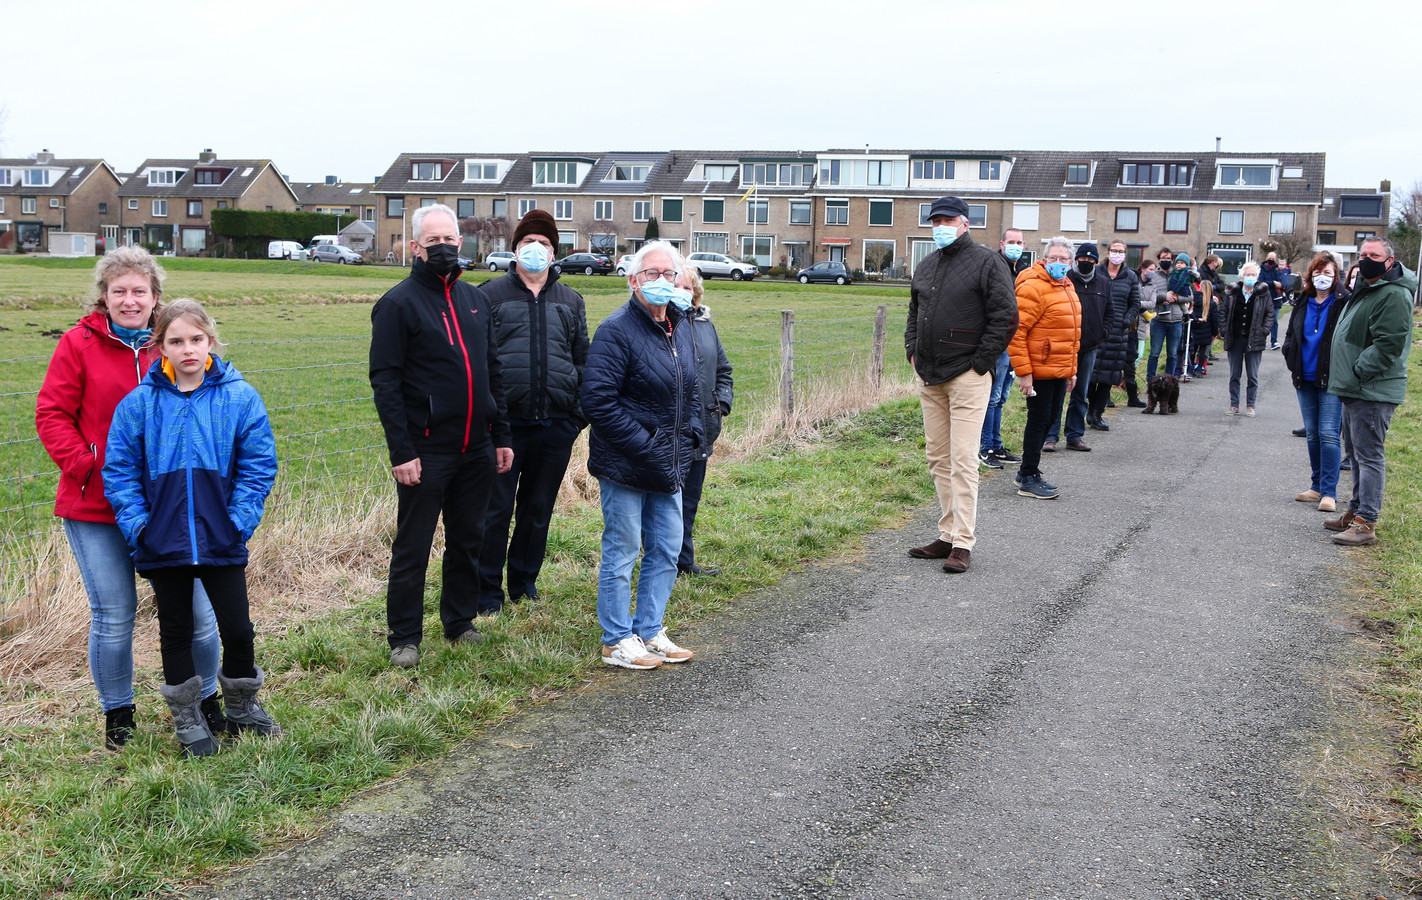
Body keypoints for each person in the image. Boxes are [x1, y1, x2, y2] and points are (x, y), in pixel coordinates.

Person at [35, 247, 225, 752]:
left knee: (200, 613)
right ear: (104, 296)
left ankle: (209, 701)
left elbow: (216, 402)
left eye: (139, 290)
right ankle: (118, 716)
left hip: (171, 507)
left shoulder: (174, 343)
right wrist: (88, 465)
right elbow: (51, 413)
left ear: (155, 296)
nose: (129, 299)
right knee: (114, 613)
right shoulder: (78, 344)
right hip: (96, 505)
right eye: (118, 290)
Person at [103, 300, 281, 758]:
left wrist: (239, 520)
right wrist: (140, 526)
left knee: (238, 630)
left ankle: (241, 707)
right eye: (176, 341)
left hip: (221, 536)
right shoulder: (140, 404)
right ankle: (188, 720)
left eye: (196, 340)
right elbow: (119, 470)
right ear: (158, 345)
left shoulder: (239, 397)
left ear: (210, 342)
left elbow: (258, 465)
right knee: (175, 630)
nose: (187, 350)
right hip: (163, 541)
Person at [369, 203, 513, 669]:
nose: (444, 248)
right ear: (415, 247)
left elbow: (492, 371)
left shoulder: (477, 300)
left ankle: (459, 621)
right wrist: (402, 450)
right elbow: (385, 382)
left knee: (469, 537)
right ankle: (404, 637)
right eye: (433, 242)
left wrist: (501, 435)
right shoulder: (397, 304)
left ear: (460, 240)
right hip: (426, 449)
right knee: (413, 545)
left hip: (476, 445)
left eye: (449, 239)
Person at [582, 241, 704, 669]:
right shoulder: (616, 329)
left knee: (667, 549)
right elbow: (598, 402)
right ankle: (616, 639)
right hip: (626, 463)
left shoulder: (680, 325)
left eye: (668, 274)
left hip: (669, 463)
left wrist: (689, 437)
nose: (660, 281)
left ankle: (650, 630)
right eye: (650, 274)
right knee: (623, 550)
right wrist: (646, 445)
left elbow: (689, 387)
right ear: (633, 280)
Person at [475, 210, 589, 613]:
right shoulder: (488, 296)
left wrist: (575, 420)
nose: (535, 250)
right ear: (515, 249)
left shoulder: (571, 301)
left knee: (537, 511)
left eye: (543, 243)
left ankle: (524, 584)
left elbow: (582, 362)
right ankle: (487, 594)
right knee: (495, 512)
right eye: (528, 243)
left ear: (554, 251)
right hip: (503, 430)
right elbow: (476, 363)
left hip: (555, 426)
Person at [903, 196, 1018, 574]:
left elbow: (1005, 316)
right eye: (936, 219)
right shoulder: (927, 263)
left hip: (967, 375)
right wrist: (912, 352)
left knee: (964, 460)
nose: (941, 225)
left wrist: (980, 363)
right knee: (938, 457)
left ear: (965, 223)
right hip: (929, 375)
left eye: (948, 219)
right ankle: (947, 532)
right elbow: (914, 311)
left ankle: (963, 542)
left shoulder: (988, 262)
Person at [1325, 238, 1416, 546]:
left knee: (1369, 455)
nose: (1365, 259)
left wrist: (1359, 370)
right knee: (1357, 454)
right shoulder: (1368, 288)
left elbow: (1388, 344)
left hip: (1372, 388)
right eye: (1362, 254)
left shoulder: (1392, 293)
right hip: (1356, 387)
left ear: (1390, 261)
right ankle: (1356, 510)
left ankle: (1366, 523)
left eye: (1373, 255)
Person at [1009, 237, 1081, 500]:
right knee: (1038, 421)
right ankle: (1028, 476)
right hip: (1039, 368)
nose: (1059, 263)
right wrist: (1024, 371)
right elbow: (1016, 331)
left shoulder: (1067, 286)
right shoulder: (1034, 287)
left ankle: (1028, 471)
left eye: (1064, 259)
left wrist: (1071, 369)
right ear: (1044, 259)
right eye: (1054, 258)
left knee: (1050, 420)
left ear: (1070, 262)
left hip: (1059, 369)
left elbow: (1070, 333)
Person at [674, 265, 733, 577]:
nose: (683, 293)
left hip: (703, 428)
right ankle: (663, 561)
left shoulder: (706, 326)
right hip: (670, 431)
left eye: (688, 288)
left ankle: (684, 562)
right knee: (665, 502)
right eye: (677, 286)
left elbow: (723, 369)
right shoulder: (662, 325)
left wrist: (720, 403)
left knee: (690, 500)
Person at [1281, 252, 1349, 513]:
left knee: (1329, 434)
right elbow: (1290, 336)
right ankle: (1317, 485)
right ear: (1310, 276)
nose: (1323, 277)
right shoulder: (1302, 301)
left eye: (1328, 273)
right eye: (1318, 273)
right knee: (1312, 435)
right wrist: (1291, 358)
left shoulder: (1343, 302)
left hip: (1332, 378)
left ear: (1336, 277)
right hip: (1304, 377)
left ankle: (1329, 493)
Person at [1046, 242, 1112, 451]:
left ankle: (1074, 435)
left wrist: (1103, 332)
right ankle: (1050, 436)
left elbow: (1110, 311)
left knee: (1081, 393)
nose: (1087, 262)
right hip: (1064, 345)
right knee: (1058, 392)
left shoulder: (1103, 283)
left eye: (1091, 259)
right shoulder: (1065, 280)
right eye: (1083, 259)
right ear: (1076, 260)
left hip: (1090, 346)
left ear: (1096, 261)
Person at [978, 229, 1030, 469]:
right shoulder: (993, 266)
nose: (1015, 246)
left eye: (1019, 242)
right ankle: (985, 446)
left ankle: (996, 444)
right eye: (1011, 242)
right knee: (992, 397)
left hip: (1015, 342)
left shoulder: (1021, 271)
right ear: (1002, 243)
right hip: (999, 341)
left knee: (1002, 397)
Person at [1088, 240, 1141, 428]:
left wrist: (1126, 321)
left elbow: (1135, 303)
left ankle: (1098, 413)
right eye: (1114, 250)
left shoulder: (1130, 276)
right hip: (1096, 329)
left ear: (1125, 255)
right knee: (1091, 373)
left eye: (1121, 251)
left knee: (1108, 376)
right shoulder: (1096, 272)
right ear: (1108, 252)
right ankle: (1089, 409)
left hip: (1118, 332)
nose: (1117, 254)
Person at [1218, 261, 1276, 416]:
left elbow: (1270, 313)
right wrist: (1224, 328)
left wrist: (1264, 331)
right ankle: (1234, 404)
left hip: (1254, 339)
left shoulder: (1263, 293)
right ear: (1241, 276)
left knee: (1253, 375)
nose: (1250, 277)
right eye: (1247, 274)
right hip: (1235, 338)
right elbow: (1223, 311)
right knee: (1234, 375)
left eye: (1253, 275)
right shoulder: (1232, 292)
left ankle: (1250, 405)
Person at [1146, 249, 1191, 378]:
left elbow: (1189, 296)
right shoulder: (1153, 276)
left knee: (1172, 354)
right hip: (1159, 320)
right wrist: (1163, 296)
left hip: (1176, 320)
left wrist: (1177, 298)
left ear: (1172, 261)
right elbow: (1148, 295)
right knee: (1154, 353)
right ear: (1159, 260)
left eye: (1168, 258)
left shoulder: (1180, 275)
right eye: (1163, 258)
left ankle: (1169, 380)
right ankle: (1151, 379)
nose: (1165, 260)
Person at [1258, 251, 1287, 349]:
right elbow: (1261, 282)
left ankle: (1274, 341)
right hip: (1265, 297)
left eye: (1273, 259)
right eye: (1270, 258)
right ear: (1266, 258)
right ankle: (1263, 340)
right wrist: (1273, 283)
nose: (1271, 260)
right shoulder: (1261, 269)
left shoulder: (1278, 269)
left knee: (1274, 320)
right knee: (1263, 320)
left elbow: (1283, 282)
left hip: (1276, 298)